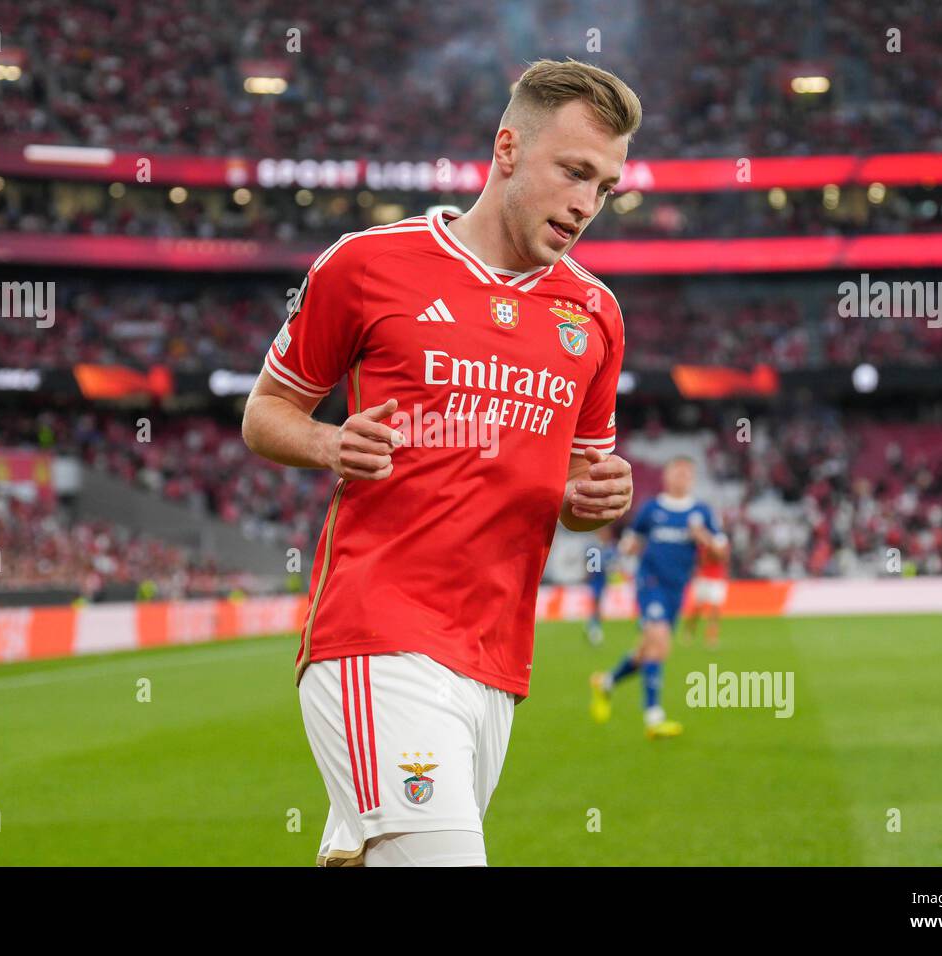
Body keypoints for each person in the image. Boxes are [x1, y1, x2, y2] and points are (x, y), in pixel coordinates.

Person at [242, 59, 643, 866]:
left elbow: (577, 488)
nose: (586, 203)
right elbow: (265, 413)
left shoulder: (596, 315)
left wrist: (598, 494)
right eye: (573, 171)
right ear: (506, 148)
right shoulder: (364, 266)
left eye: (604, 186)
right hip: (377, 634)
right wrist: (330, 441)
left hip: (495, 656)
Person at [590, 456, 727, 738]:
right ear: (666, 477)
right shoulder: (651, 509)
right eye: (677, 473)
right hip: (649, 584)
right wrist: (624, 552)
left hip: (677, 589)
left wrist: (703, 538)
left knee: (647, 651)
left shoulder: (701, 512)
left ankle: (605, 682)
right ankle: (654, 718)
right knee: (660, 642)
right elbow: (632, 540)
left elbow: (721, 553)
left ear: (693, 479)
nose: (681, 478)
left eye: (687, 474)